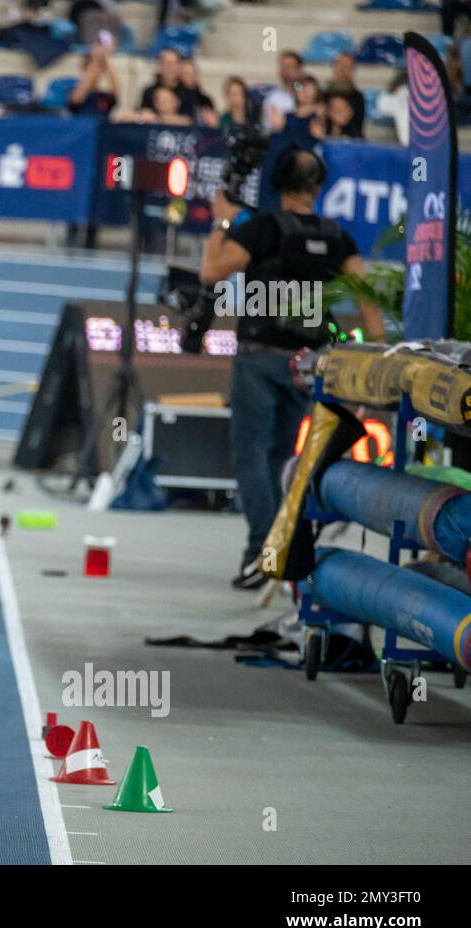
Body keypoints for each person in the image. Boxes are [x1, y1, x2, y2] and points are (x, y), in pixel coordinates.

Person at [199, 148, 384, 589]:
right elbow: (369, 298)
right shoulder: (337, 237)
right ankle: (281, 550)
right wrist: (376, 353)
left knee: (251, 455)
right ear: (317, 187)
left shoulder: (262, 229)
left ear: (277, 185)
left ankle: (264, 551)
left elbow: (211, 271)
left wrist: (223, 221)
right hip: (308, 364)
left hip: (260, 358)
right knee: (283, 456)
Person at [137, 48, 197, 117]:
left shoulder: (189, 93)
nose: (169, 67)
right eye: (166, 63)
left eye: (173, 63)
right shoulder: (149, 92)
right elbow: (142, 114)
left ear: (180, 67)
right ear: (159, 66)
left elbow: (189, 120)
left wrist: (157, 119)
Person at [66, 41, 119, 117]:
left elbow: (115, 89)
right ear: (84, 70)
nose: (96, 72)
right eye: (91, 69)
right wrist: (95, 58)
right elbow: (77, 97)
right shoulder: (74, 88)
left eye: (99, 69)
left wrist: (106, 60)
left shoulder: (102, 94)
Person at [324, 52, 366, 139]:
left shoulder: (358, 97)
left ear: (352, 71)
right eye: (340, 65)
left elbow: (358, 126)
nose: (343, 70)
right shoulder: (323, 95)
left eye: (347, 67)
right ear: (334, 68)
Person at [261, 50, 303, 133]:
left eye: (290, 67)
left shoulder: (309, 93)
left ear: (299, 70)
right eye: (283, 67)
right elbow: (272, 127)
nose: (286, 71)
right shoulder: (272, 98)